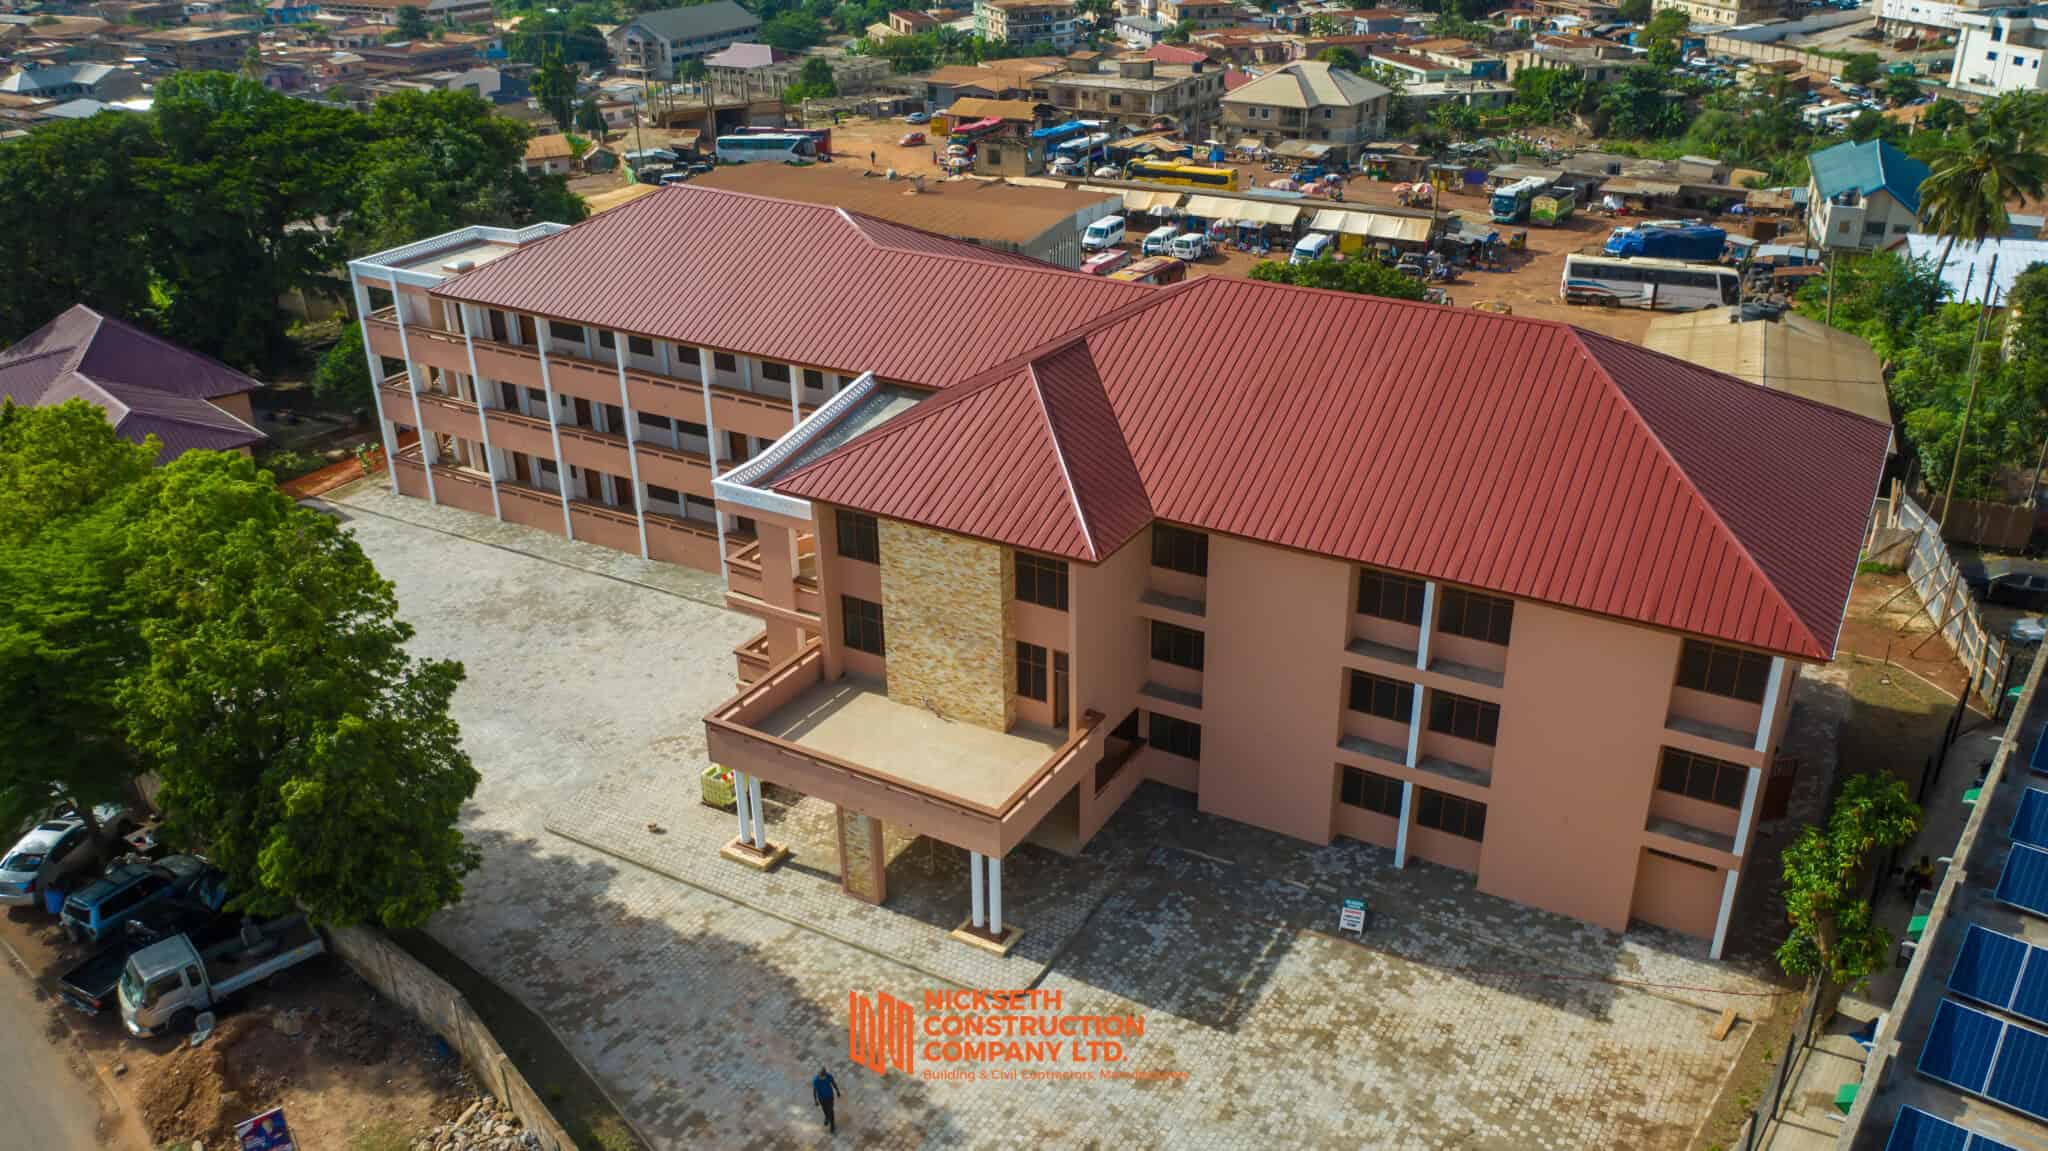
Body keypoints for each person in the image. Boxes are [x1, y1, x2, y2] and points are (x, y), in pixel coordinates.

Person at [812, 1067, 842, 1134]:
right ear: (819, 1074)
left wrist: (837, 1091)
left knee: (831, 1110)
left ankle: (832, 1125)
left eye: (824, 1075)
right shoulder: (816, 1080)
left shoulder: (829, 1076)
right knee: (825, 1110)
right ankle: (827, 1117)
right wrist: (815, 1100)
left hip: (830, 1097)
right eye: (822, 1076)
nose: (823, 1077)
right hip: (821, 1098)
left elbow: (834, 1083)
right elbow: (814, 1091)